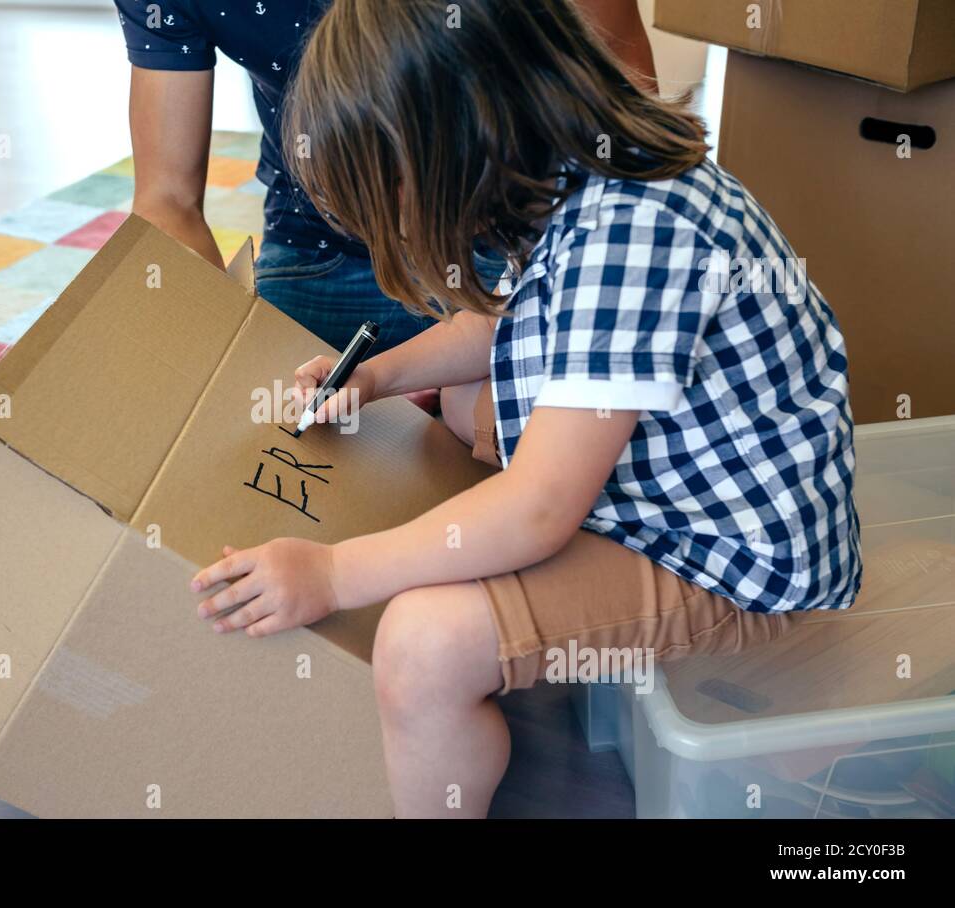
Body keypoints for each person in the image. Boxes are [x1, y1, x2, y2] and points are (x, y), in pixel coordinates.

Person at [189, 0, 862, 818]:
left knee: (422, 645)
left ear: (458, 139)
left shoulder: (630, 235)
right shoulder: (579, 175)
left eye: (393, 199)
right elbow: (501, 324)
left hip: (736, 575)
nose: (395, 230)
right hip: (691, 505)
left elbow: (540, 509)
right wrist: (377, 377)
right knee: (473, 400)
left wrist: (333, 574)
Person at [113, 0, 656, 354]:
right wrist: (209, 362)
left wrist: (517, 371)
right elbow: (166, 199)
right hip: (321, 247)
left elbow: (622, 143)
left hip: (515, 241)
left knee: (490, 423)